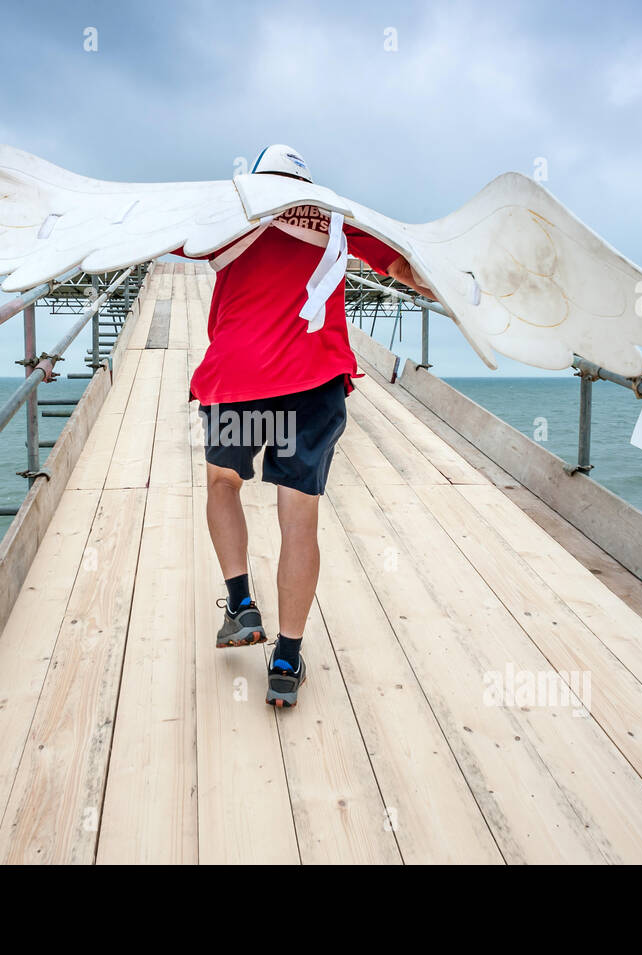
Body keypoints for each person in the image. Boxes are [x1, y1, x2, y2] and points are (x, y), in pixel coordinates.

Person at [176, 144, 434, 708]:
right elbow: (408, 271)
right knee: (299, 519)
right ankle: (287, 660)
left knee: (224, 485)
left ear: (259, 179)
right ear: (307, 185)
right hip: (312, 382)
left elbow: (158, 235)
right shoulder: (336, 218)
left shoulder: (231, 212)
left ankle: (241, 605)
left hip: (236, 380)